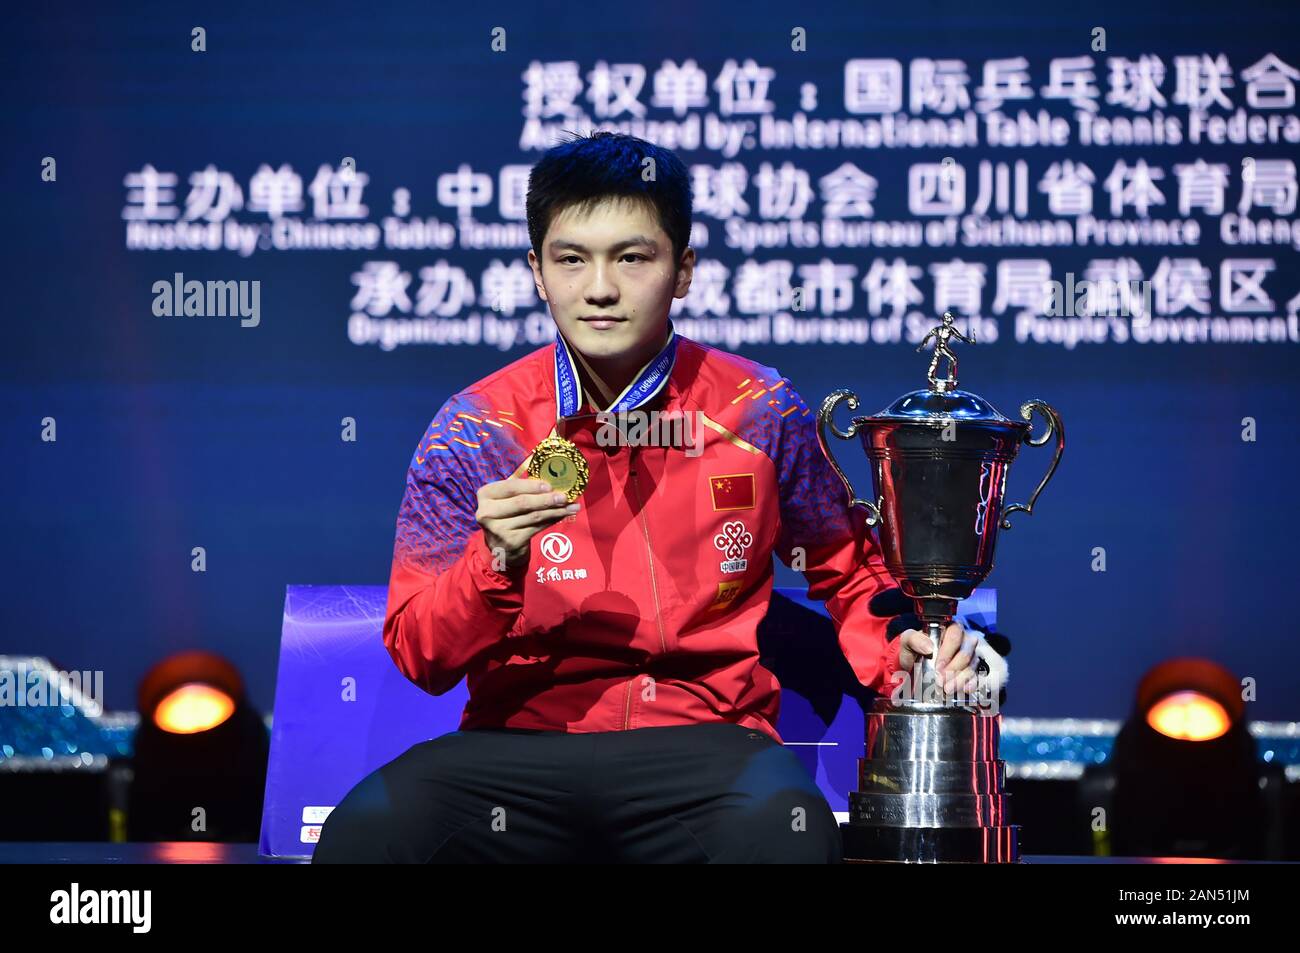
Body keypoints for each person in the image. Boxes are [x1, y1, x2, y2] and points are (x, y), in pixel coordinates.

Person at [313, 131, 988, 864]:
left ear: (683, 270)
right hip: (518, 749)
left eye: (632, 257)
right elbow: (420, 653)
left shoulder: (759, 409)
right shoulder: (477, 428)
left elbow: (848, 570)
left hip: (708, 748)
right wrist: (495, 562)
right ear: (537, 272)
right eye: (571, 259)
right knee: (367, 836)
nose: (599, 288)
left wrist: (911, 654)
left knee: (784, 838)